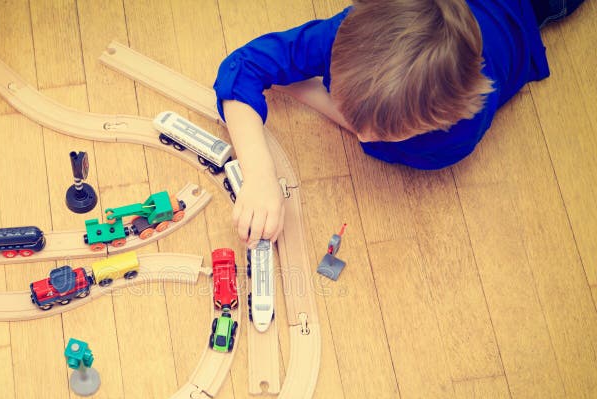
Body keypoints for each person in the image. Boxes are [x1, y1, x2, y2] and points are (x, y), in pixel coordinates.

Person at [213, 0, 586, 247]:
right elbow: (241, 66)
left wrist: (295, 83)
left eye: (386, 131)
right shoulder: (343, 34)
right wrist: (260, 176)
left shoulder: (453, 137)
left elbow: (254, 70)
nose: (361, 134)